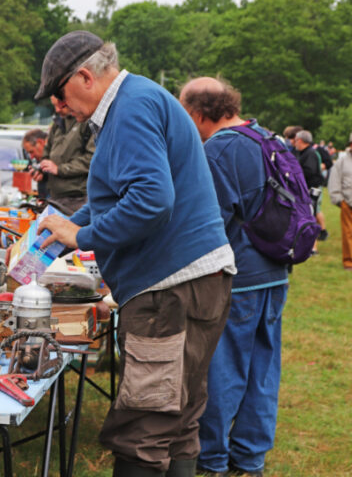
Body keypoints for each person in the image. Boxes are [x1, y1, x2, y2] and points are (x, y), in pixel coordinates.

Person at [34, 30, 234, 477]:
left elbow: (150, 201)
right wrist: (70, 224)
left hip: (169, 288)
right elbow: (119, 195)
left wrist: (82, 236)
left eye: (60, 95)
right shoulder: (138, 99)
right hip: (195, 281)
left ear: (84, 77)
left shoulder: (130, 108)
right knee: (178, 419)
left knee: (144, 427)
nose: (60, 107)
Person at [180, 77, 290, 477]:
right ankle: (249, 459)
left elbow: (211, 222)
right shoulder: (268, 137)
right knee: (263, 369)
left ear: (197, 113)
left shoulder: (219, 149)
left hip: (238, 276)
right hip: (275, 271)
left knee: (222, 369)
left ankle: (211, 459)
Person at [29, 96, 93, 213]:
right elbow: (47, 153)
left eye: (60, 103)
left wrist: (59, 169)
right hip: (55, 197)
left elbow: (91, 159)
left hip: (78, 198)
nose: (57, 109)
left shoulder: (87, 122)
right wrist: (42, 171)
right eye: (54, 105)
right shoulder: (57, 123)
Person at [293, 130, 326, 250]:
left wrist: (295, 174)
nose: (294, 143)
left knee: (311, 215)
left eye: (296, 140)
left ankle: (313, 247)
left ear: (300, 140)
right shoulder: (304, 153)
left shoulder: (310, 153)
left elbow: (309, 171)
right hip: (307, 188)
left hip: (312, 189)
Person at [328, 133, 352, 270]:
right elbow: (334, 180)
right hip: (347, 202)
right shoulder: (342, 162)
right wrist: (339, 200)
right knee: (348, 233)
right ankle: (349, 261)